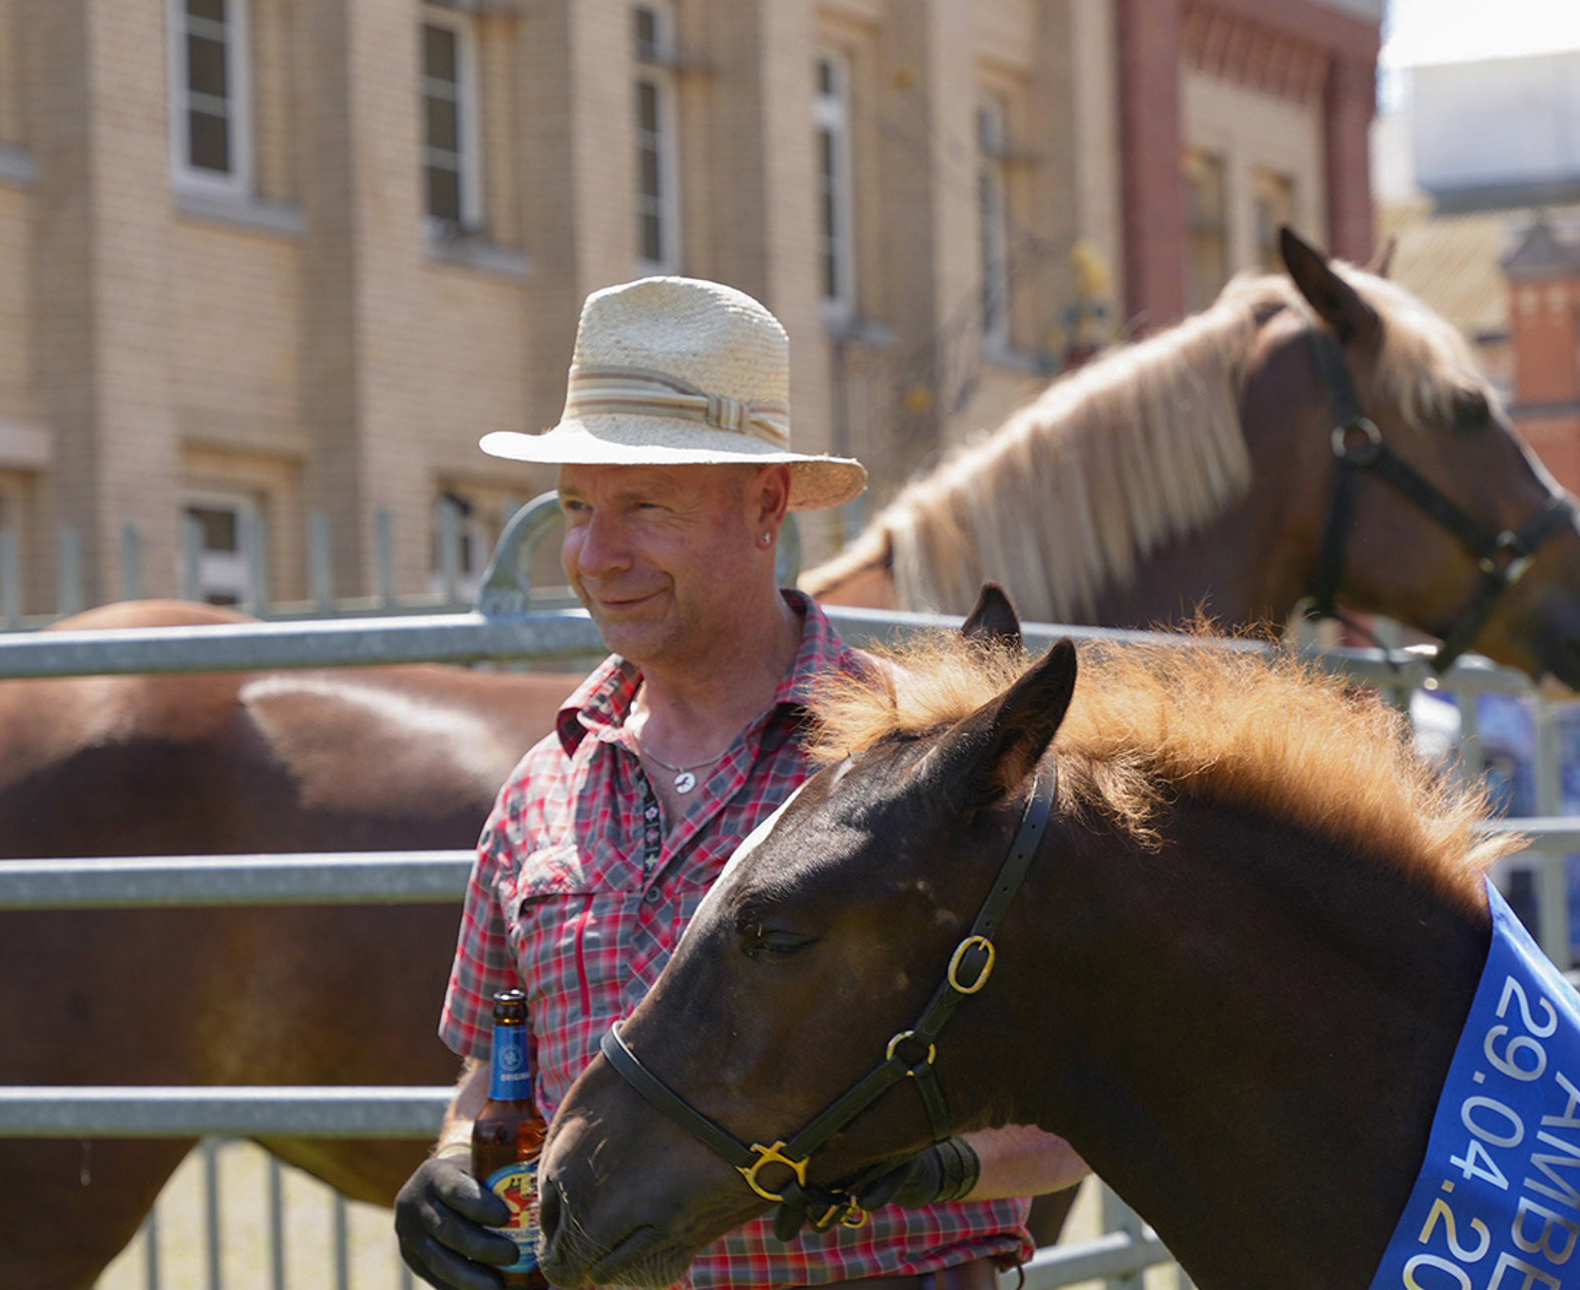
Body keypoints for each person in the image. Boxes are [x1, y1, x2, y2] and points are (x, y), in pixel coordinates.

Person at [393, 276, 1088, 1290]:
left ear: (764, 505)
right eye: (577, 507)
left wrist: (913, 1168)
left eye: (643, 507)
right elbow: (495, 1069)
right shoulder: (541, 790)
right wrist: (454, 1161)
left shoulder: (919, 767)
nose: (595, 553)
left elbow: (1070, 1113)